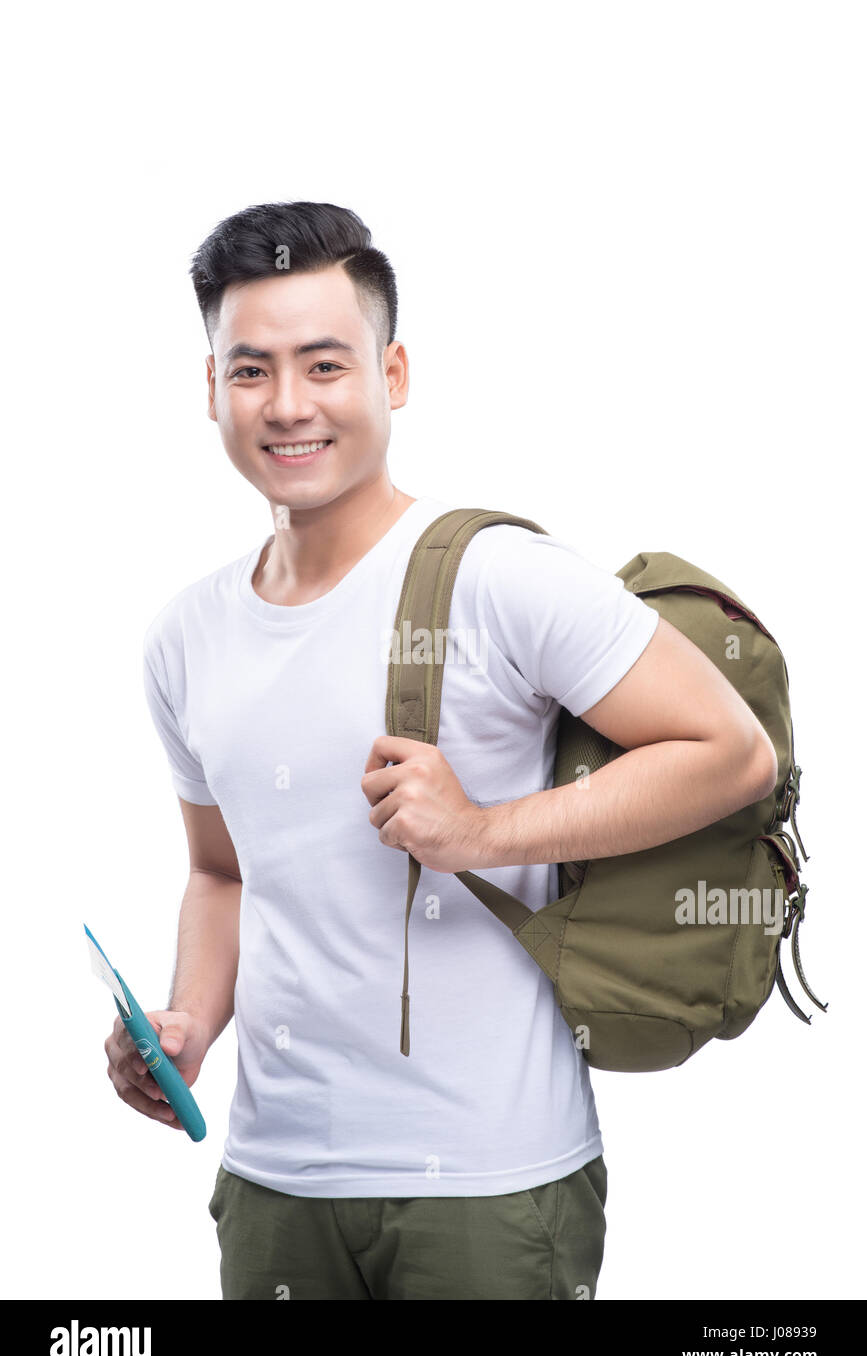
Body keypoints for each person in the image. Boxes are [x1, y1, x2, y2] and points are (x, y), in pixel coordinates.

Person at [105, 201, 777, 1300]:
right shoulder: (186, 635)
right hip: (273, 1183)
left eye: (325, 364)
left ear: (393, 373)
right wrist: (185, 1027)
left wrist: (483, 831)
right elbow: (224, 871)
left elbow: (728, 750)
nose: (287, 406)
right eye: (250, 370)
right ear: (210, 386)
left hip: (490, 1187)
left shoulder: (496, 576)